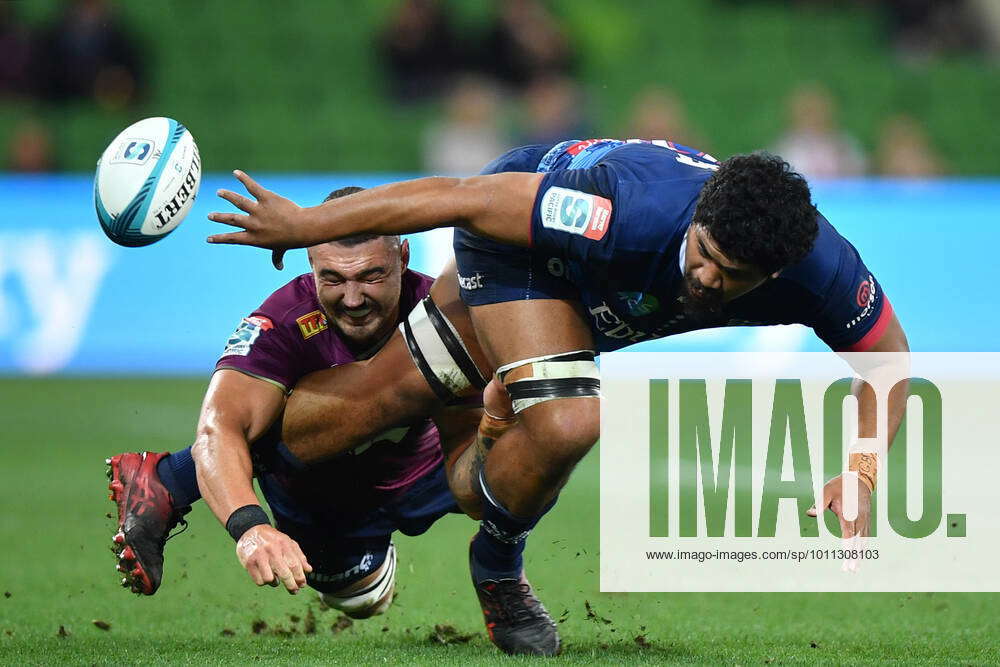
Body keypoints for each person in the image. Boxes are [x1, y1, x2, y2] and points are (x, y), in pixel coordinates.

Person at [206, 139, 910, 651]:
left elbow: (888, 361)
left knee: (485, 444)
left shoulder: (823, 268)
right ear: (697, 215)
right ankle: (194, 469)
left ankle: (488, 540)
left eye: (734, 275)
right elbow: (465, 198)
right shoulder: (623, 209)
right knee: (561, 418)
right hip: (522, 247)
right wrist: (305, 225)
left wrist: (862, 468)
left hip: (599, 295)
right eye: (703, 253)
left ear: (781, 269)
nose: (706, 280)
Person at [106, 186, 507, 628]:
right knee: (364, 600)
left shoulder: (439, 305)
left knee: (535, 453)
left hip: (424, 467)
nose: (353, 299)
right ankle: (172, 478)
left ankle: (170, 480)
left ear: (404, 257)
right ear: (310, 264)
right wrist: (250, 528)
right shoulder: (281, 321)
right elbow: (218, 429)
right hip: (324, 498)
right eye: (333, 279)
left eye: (371, 276)